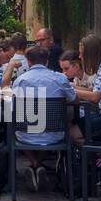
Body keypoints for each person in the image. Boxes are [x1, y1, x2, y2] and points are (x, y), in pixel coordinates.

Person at [11, 45, 76, 191]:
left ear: (28, 62)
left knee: (17, 132)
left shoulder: (20, 80)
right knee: (51, 132)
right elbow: (72, 98)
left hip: (25, 135)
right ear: (47, 61)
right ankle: (38, 165)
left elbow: (14, 110)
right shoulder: (60, 78)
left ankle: (34, 163)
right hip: (55, 134)